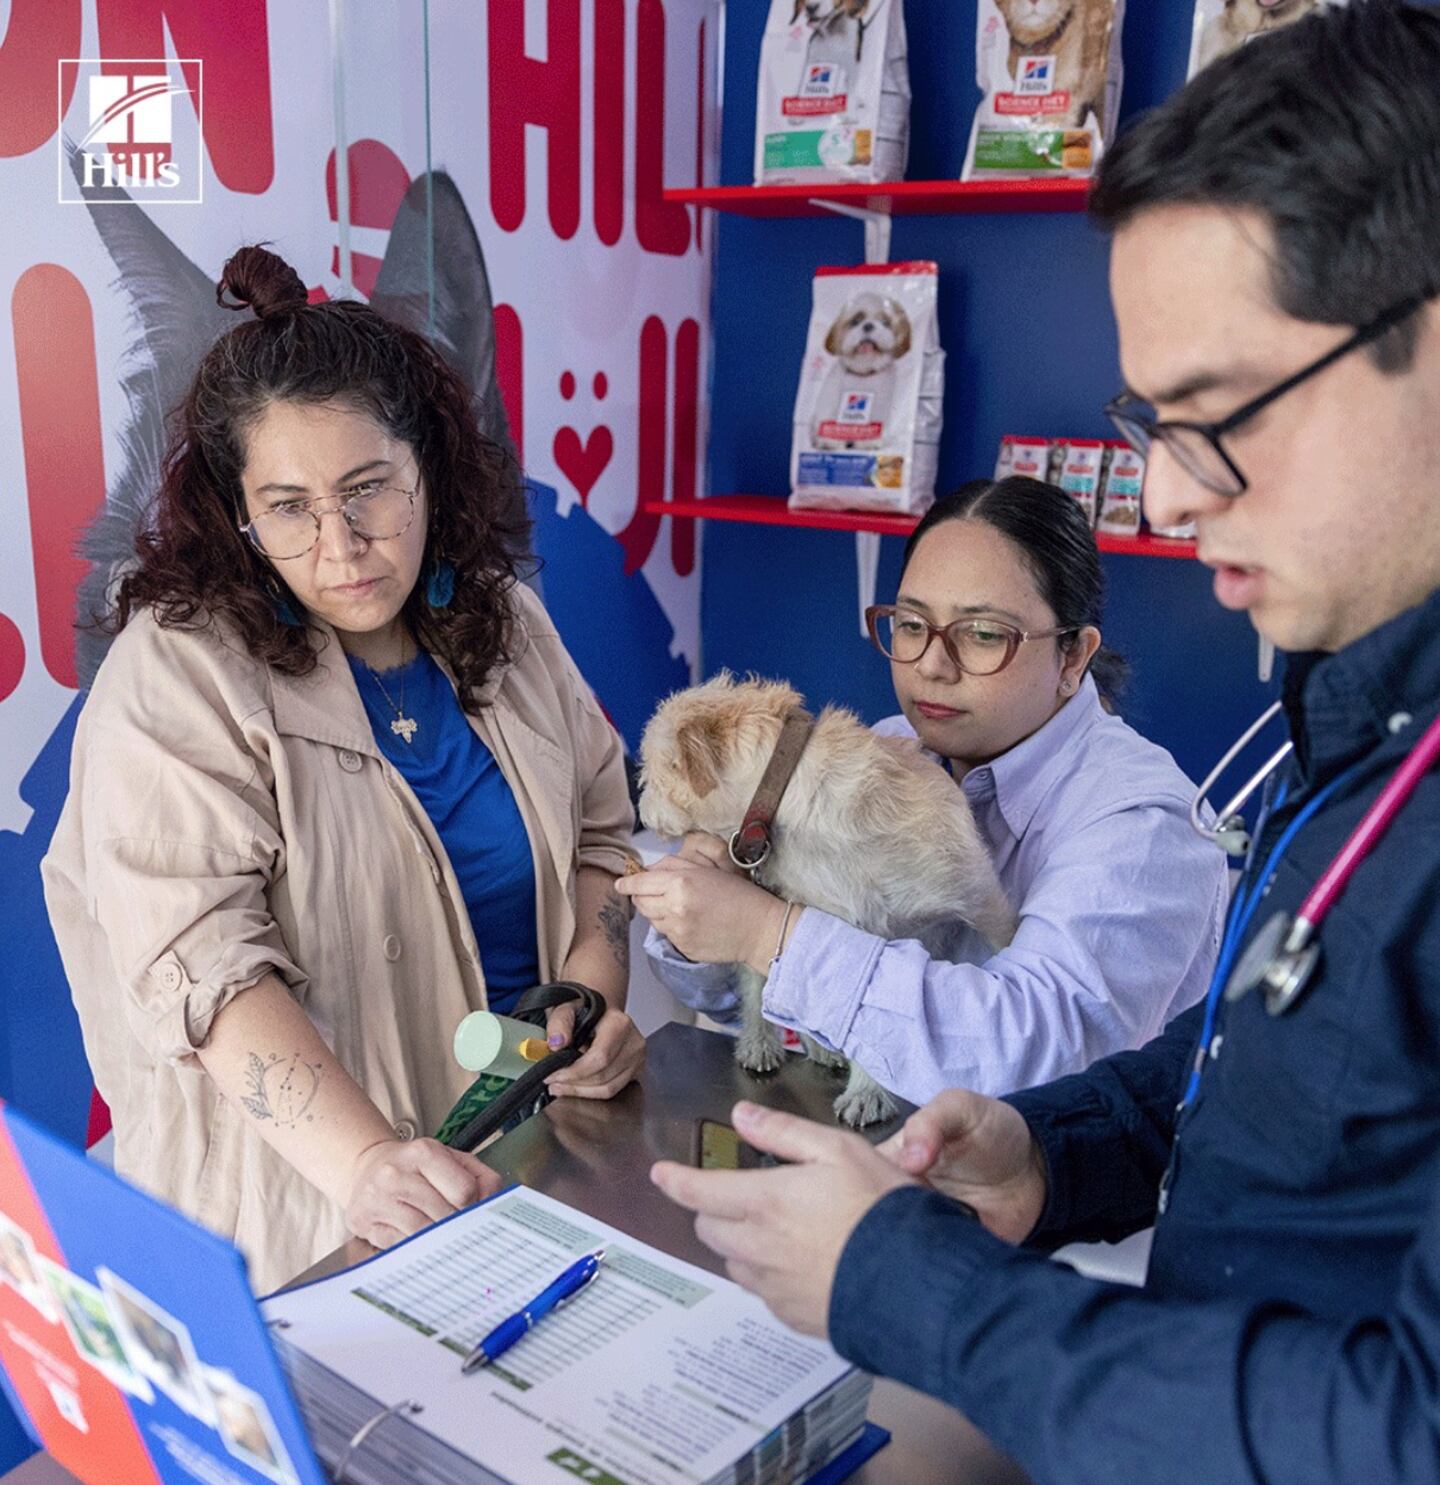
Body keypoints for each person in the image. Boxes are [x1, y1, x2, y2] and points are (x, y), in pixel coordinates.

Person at [650, 3, 1440, 1479]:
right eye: (1148, 422)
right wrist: (1053, 1157)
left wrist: (908, 1282)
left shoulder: (1154, 812)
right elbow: (1265, 1094)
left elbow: (1398, 1428)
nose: (1170, 497)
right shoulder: (1354, 741)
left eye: (1217, 414)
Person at [42, 246, 643, 1291]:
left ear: (430, 469)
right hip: (309, 1222)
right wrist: (365, 1165)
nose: (341, 545)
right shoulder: (176, 673)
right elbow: (205, 968)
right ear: (236, 511)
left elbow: (602, 825)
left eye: (371, 490)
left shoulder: (504, 623)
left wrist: (591, 994)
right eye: (287, 506)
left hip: (531, 1161)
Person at [620, 477, 1228, 1102]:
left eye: (984, 634)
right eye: (912, 625)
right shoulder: (887, 751)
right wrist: (711, 916)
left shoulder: (1143, 827)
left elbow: (1036, 1061)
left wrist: (767, 933)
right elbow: (743, 1006)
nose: (933, 665)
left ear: (1073, 657)